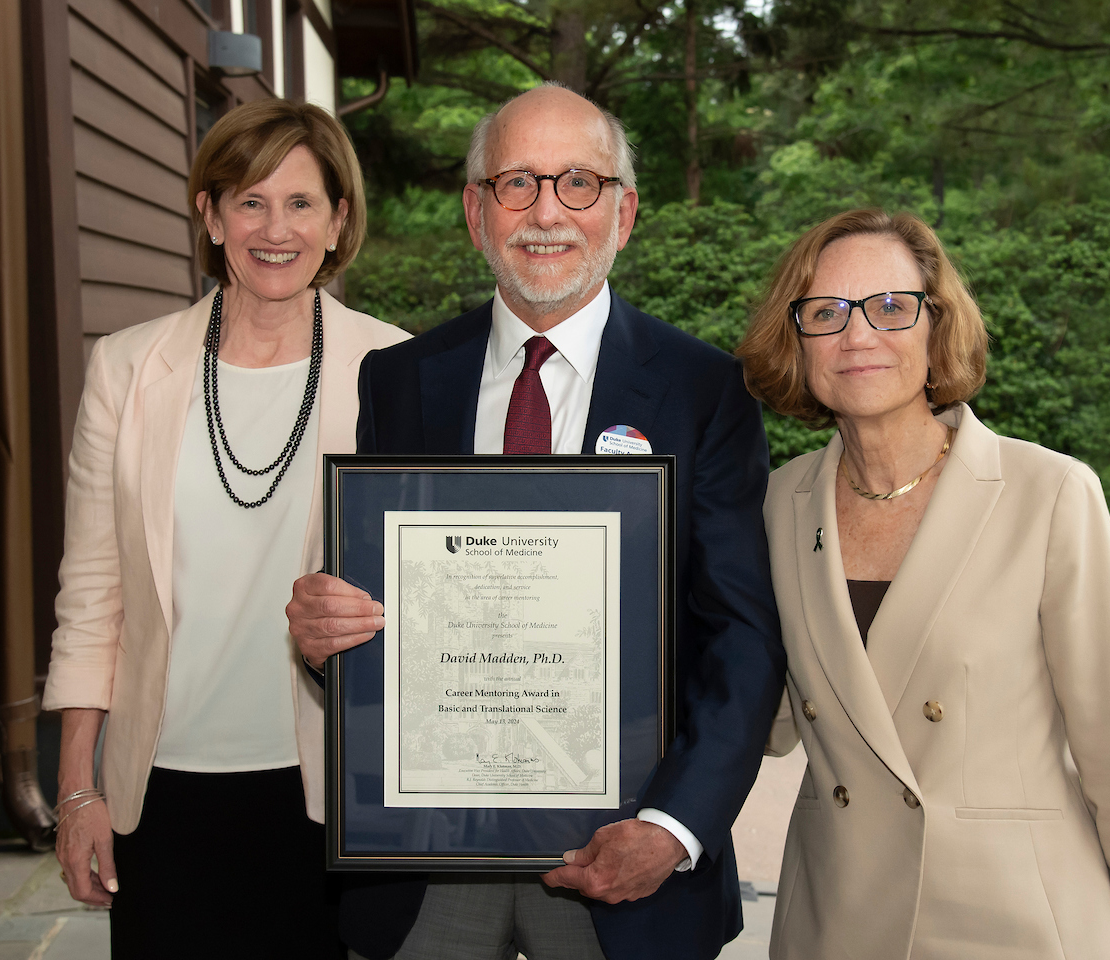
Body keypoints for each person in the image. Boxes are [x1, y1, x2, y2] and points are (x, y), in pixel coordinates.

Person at [285, 82, 785, 960]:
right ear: (477, 213)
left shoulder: (707, 391)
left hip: (623, 859)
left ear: (624, 214)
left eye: (579, 184)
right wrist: (330, 639)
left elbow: (741, 638)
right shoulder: (401, 380)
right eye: (516, 182)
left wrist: (672, 827)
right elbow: (384, 626)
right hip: (430, 865)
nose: (546, 212)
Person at [737, 208, 1110, 960]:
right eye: (826, 312)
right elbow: (766, 717)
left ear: (937, 327)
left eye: (891, 307)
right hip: (836, 924)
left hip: (1014, 928)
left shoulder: (1051, 494)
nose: (858, 335)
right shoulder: (779, 503)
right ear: (796, 337)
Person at [42, 98, 410, 959]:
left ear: (339, 219)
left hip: (332, 791)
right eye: (248, 200)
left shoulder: (395, 369)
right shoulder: (128, 368)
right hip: (162, 789)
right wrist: (76, 791)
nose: (273, 228)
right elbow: (91, 595)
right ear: (210, 215)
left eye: (300, 202)